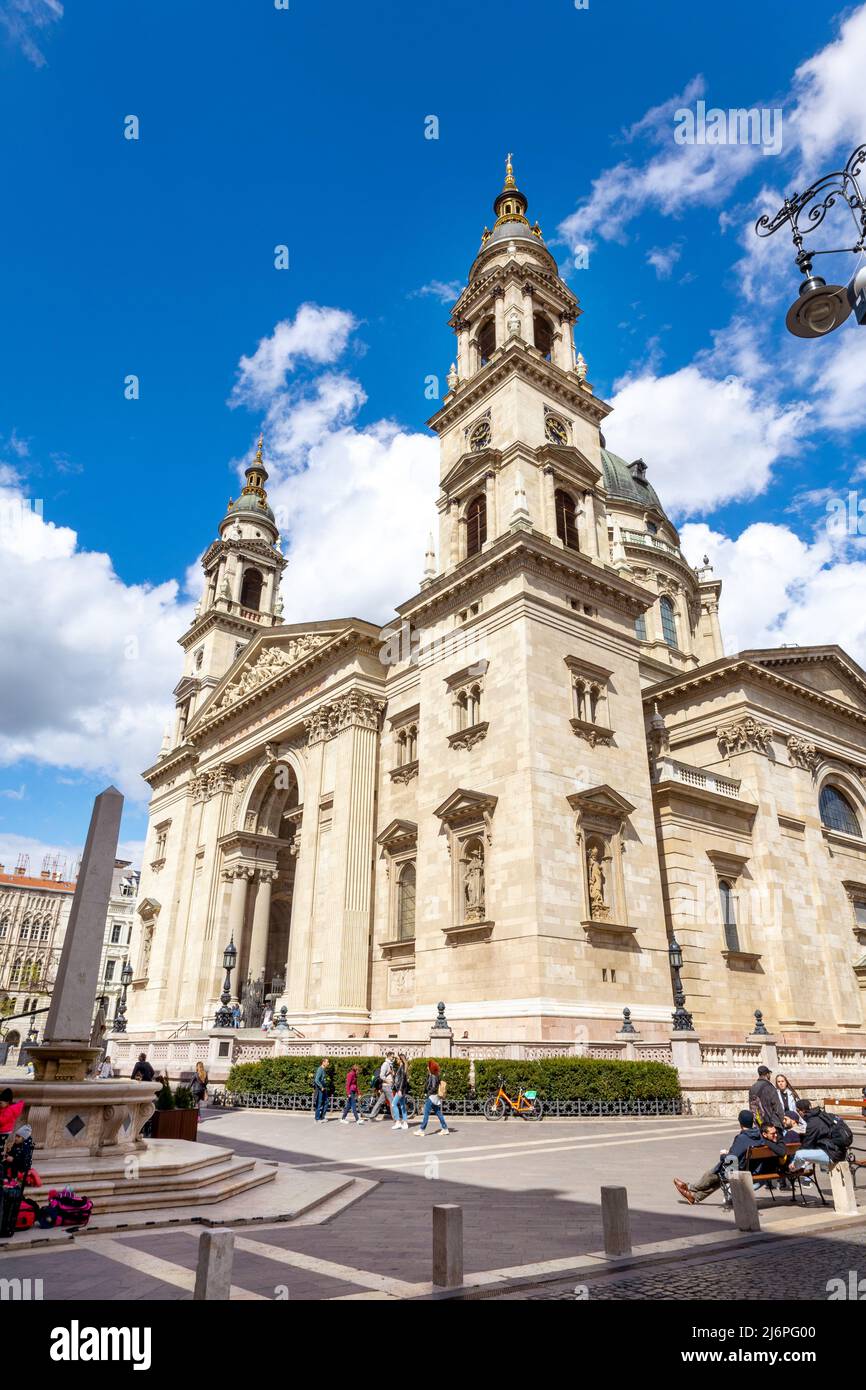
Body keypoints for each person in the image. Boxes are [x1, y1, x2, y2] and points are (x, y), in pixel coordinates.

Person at [674, 1110, 763, 1204]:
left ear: (740, 1122)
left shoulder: (742, 1138)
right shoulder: (759, 1135)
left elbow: (731, 1158)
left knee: (714, 1172)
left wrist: (723, 1155)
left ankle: (690, 1187)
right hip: (753, 1169)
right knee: (719, 1176)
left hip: (739, 1170)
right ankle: (694, 1196)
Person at [790, 1098, 849, 1170]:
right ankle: (799, 1168)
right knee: (806, 1155)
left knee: (799, 1154)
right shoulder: (823, 1115)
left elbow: (807, 1145)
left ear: (802, 1111)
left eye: (797, 1111)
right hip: (840, 1151)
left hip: (832, 1154)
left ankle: (792, 1169)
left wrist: (794, 1162)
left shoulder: (812, 1123)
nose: (798, 1113)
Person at [413, 1060, 450, 1137]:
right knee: (438, 1113)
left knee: (426, 1113)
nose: (427, 1067)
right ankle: (445, 1128)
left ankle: (422, 1130)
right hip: (435, 1097)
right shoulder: (434, 1075)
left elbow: (433, 1087)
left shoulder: (433, 1076)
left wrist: (428, 1094)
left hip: (431, 1097)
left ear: (431, 1068)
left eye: (428, 1066)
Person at [747, 1065, 785, 1131]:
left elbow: (751, 1107)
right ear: (767, 1074)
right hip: (772, 1124)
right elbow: (777, 1107)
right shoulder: (770, 1087)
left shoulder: (752, 1087)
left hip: (760, 1124)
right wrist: (783, 1121)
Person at [368, 1052, 396, 1121]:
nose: (393, 1058)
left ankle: (372, 1115)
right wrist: (387, 1081)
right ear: (389, 1057)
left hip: (387, 1086)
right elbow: (381, 1076)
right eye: (392, 1057)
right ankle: (396, 1118)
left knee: (380, 1101)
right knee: (392, 1102)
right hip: (386, 1086)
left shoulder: (390, 1064)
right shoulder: (385, 1064)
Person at [0, 1088, 25, 1157]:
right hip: (3, 1131)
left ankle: (1, 1159)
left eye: (0, 1103)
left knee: (1, 1145)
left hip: (4, 1131)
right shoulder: (4, 1108)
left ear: (7, 1102)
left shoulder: (9, 1110)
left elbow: (2, 1121)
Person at [391, 1053, 409, 1131]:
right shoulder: (402, 1067)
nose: (396, 1060)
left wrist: (400, 1090)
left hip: (400, 1089)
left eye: (397, 1059)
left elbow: (402, 1080)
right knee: (402, 1106)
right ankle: (405, 1123)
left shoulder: (402, 1067)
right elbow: (399, 1078)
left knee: (393, 1104)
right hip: (402, 1089)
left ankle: (398, 1122)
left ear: (400, 1059)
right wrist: (394, 1074)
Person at [313, 1057, 331, 1123]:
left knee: (326, 1102)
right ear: (323, 1062)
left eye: (328, 1062)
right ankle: (317, 1119)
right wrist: (321, 1086)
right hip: (320, 1089)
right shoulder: (320, 1069)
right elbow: (316, 1080)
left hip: (323, 1089)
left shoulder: (323, 1070)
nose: (328, 1063)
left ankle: (322, 1117)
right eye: (327, 1062)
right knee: (319, 1103)